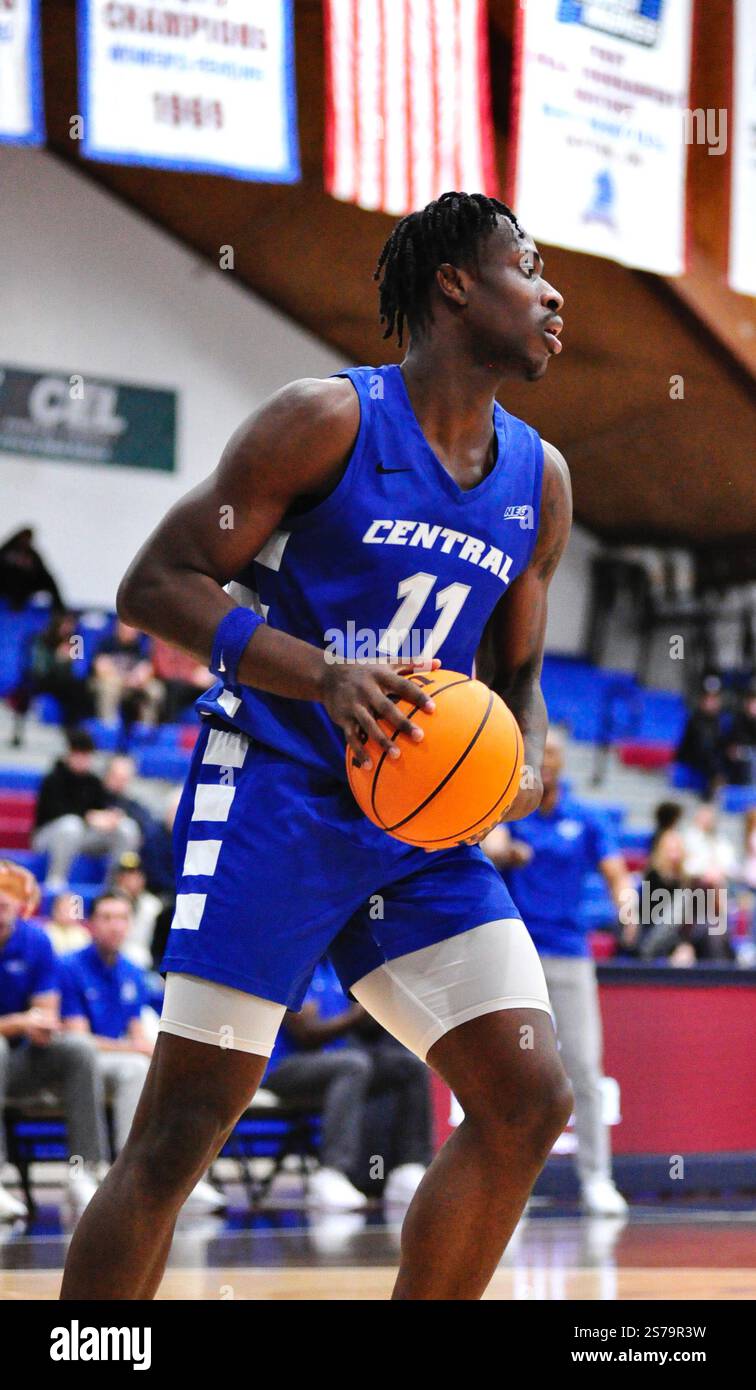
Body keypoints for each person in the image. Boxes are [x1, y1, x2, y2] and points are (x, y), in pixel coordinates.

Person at [62, 190, 573, 1302]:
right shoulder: (327, 418)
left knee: (529, 1100)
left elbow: (518, 683)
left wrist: (527, 750)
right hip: (277, 796)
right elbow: (154, 583)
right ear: (453, 282)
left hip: (417, 833)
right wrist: (322, 673)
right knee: (181, 1132)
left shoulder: (541, 480)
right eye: (528, 267)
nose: (553, 294)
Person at [485, 729, 633, 1216]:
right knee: (509, 1072)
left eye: (552, 755)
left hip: (571, 955)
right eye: (538, 754)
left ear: (563, 762)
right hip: (515, 954)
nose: (546, 763)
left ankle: (596, 1179)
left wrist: (625, 903)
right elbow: (491, 845)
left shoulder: (586, 818)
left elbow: (615, 869)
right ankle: (511, 1188)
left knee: (585, 1071)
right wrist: (506, 852)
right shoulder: (508, 807)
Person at [60, 892, 224, 1211]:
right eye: (106, 918)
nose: (115, 926)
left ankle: (182, 1178)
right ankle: (129, 1173)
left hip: (119, 1057)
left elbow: (136, 1029)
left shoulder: (132, 971)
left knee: (169, 1071)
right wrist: (137, 1049)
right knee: (134, 1068)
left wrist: (158, 1057)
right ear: (91, 924)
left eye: (122, 918)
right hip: (84, 1063)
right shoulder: (69, 966)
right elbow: (78, 1038)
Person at [264, 961, 431, 1211]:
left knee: (408, 1065)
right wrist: (355, 1016)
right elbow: (307, 1034)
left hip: (343, 1066)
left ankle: (409, 1167)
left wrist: (380, 1008)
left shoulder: (337, 971)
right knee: (354, 1064)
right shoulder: (294, 967)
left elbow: (363, 1024)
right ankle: (332, 1172)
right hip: (286, 1069)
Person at [0, 860, 106, 1221]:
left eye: (4, 905)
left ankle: (82, 1168)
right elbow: (25, 1019)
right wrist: (19, 1022)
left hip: (21, 1063)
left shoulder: (37, 941)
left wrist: (41, 1025)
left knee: (78, 1048)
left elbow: (46, 1011)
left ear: (20, 906)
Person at [32, 729, 141, 890]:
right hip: (50, 835)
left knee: (126, 827)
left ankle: (114, 885)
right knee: (70, 825)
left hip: (84, 835)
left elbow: (101, 809)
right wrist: (87, 817)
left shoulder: (94, 782)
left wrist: (109, 818)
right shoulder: (53, 779)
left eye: (87, 755)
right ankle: (55, 881)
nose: (83, 760)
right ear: (69, 754)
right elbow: (52, 812)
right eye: (79, 754)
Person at [91, 621, 163, 730]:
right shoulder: (107, 643)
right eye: (127, 628)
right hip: (109, 683)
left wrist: (138, 678)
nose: (130, 631)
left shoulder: (141, 646)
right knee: (110, 685)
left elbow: (147, 668)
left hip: (133, 685)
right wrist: (124, 679)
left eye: (133, 628)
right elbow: (101, 667)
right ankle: (109, 727)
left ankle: (146, 729)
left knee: (155, 689)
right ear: (119, 628)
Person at [676, 678, 727, 796]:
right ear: (702, 700)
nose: (712, 703)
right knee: (710, 758)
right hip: (692, 756)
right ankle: (710, 791)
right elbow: (699, 744)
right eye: (709, 699)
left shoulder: (720, 721)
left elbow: (721, 743)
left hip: (711, 758)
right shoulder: (695, 719)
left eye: (714, 699)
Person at [111, 852, 162, 967]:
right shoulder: (109, 902)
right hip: (115, 958)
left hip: (145, 961)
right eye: (126, 875)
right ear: (118, 878)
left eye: (135, 875)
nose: (131, 880)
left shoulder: (154, 905)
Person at [0, 527, 63, 612]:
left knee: (48, 579)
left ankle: (59, 608)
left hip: (26, 587)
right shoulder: (6, 551)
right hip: (7, 586)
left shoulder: (31, 554)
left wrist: (29, 567)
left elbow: (43, 572)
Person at [44, 890, 91, 957]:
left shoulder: (83, 934)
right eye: (65, 908)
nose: (69, 912)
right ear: (55, 910)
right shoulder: (46, 932)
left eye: (72, 909)